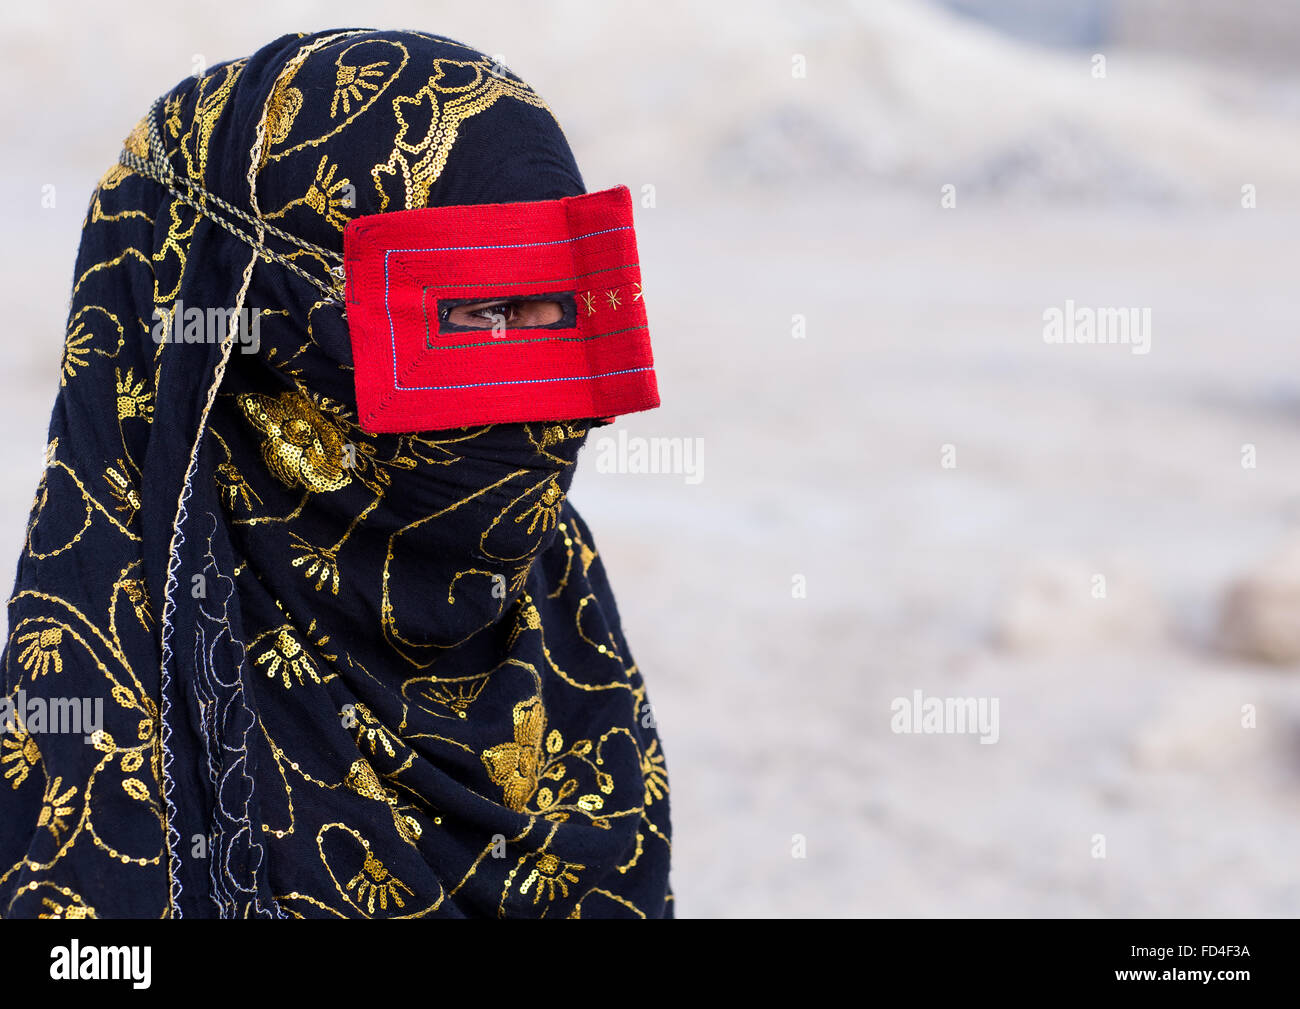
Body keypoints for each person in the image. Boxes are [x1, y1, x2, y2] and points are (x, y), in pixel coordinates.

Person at [0, 28, 672, 919]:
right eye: (478, 311)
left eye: (556, 309)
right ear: (282, 338)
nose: (554, 410)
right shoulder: (107, 704)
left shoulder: (557, 604)